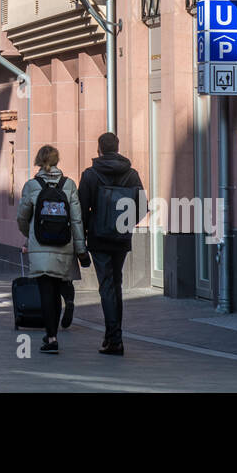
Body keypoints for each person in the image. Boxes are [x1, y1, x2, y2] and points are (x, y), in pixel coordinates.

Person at [78, 132, 145, 356]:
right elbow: (143, 206)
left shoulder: (90, 175)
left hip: (99, 238)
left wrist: (84, 236)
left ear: (99, 149)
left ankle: (114, 339)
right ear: (117, 147)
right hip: (121, 238)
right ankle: (113, 336)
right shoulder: (132, 174)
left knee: (106, 285)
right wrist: (126, 223)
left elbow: (81, 210)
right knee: (116, 284)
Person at [16, 145, 86, 355]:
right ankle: (53, 332)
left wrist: (30, 234)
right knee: (56, 290)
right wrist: (81, 249)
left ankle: (52, 337)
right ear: (57, 160)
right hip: (63, 245)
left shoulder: (31, 185)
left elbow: (22, 217)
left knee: (46, 291)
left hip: (40, 245)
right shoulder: (69, 185)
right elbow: (76, 220)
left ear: (38, 160)